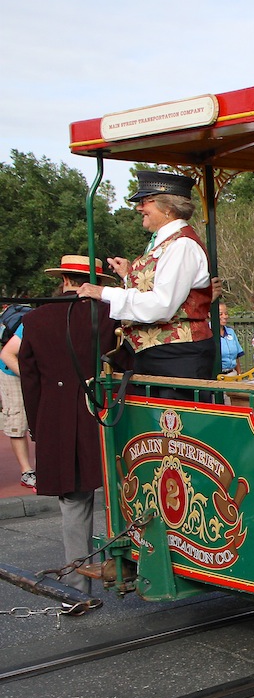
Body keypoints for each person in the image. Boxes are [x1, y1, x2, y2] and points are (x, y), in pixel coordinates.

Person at [15, 255, 116, 595]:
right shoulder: (109, 314)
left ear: (63, 280)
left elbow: (29, 378)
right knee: (127, 495)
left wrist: (37, 423)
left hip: (58, 418)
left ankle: (77, 586)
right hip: (107, 413)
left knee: (74, 503)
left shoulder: (36, 318)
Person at [76, 170, 213, 400]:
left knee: (177, 431)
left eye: (145, 201)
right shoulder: (165, 243)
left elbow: (162, 304)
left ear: (167, 207)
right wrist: (129, 275)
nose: (140, 208)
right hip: (158, 355)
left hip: (177, 357)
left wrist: (104, 292)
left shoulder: (181, 246)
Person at [0, 313, 35, 489]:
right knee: (17, 419)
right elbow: (7, 354)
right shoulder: (33, 324)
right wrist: (30, 379)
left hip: (34, 372)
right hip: (12, 370)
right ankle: (26, 471)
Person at [218, 306, 244, 375]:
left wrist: (239, 375)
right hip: (216, 377)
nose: (225, 316)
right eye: (220, 314)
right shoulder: (208, 333)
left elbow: (236, 357)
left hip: (232, 374)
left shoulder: (231, 332)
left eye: (226, 313)